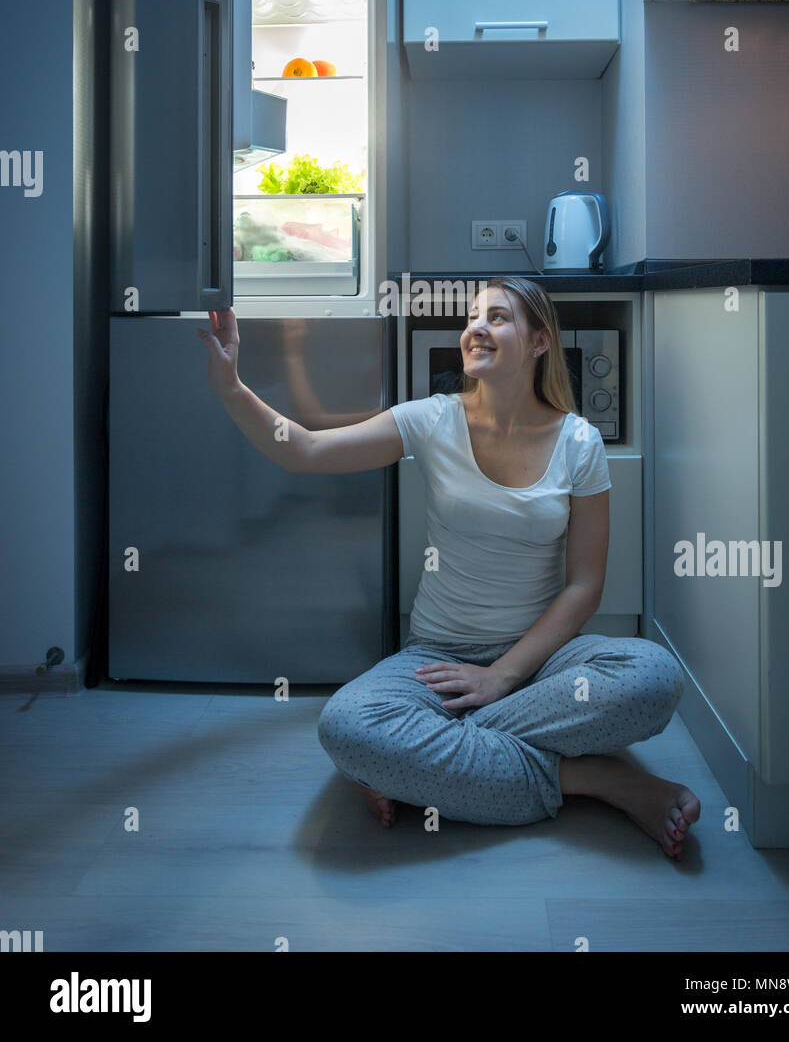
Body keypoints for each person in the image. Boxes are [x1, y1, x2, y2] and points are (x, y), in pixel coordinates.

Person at [198, 276, 700, 859]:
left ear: (540, 342)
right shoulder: (430, 420)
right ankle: (598, 779)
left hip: (545, 662)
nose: (475, 328)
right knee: (347, 726)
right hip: (436, 660)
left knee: (653, 677)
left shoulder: (578, 442)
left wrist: (502, 676)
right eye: (472, 317)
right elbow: (304, 449)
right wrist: (230, 386)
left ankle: (419, 768)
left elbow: (585, 586)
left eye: (497, 317)